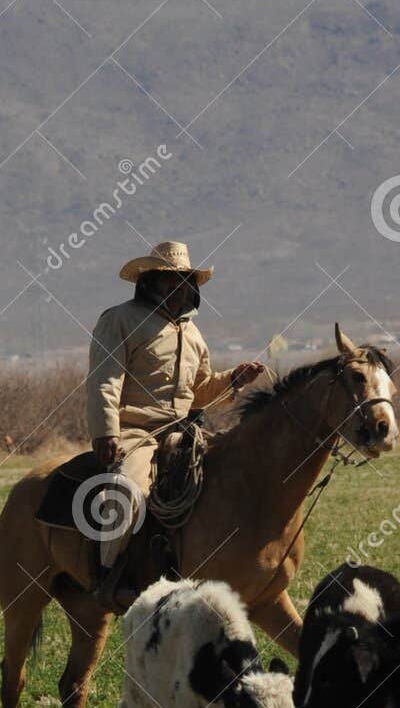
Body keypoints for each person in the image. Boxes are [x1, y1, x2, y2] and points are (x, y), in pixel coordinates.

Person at [85, 241, 266, 587]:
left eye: (184, 281)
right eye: (169, 280)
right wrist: (106, 433)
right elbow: (104, 381)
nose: (178, 288)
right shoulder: (119, 320)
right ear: (149, 282)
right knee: (129, 492)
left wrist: (234, 379)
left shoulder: (194, 335)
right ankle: (107, 577)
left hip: (184, 432)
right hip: (135, 433)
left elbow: (198, 392)